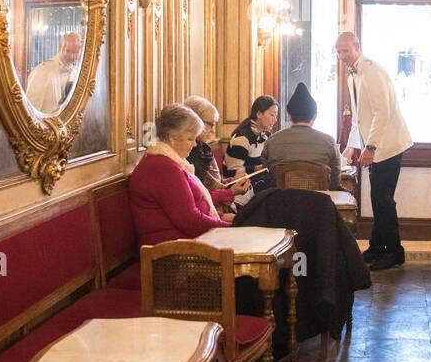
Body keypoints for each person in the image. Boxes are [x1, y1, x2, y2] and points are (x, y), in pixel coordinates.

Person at [335, 31, 413, 271]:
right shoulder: (352, 76)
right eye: (338, 52)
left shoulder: (373, 71)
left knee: (383, 200)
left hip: (388, 145)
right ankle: (378, 247)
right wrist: (351, 145)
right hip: (377, 145)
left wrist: (370, 147)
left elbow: (383, 112)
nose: (341, 56)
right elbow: (359, 118)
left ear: (357, 47)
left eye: (345, 50)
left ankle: (394, 252)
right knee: (378, 199)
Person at [129, 104, 236, 247]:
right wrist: (230, 228)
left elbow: (195, 207)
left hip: (186, 242)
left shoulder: (171, 161)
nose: (194, 145)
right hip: (170, 252)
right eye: (190, 139)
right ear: (172, 137)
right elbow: (190, 221)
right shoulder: (162, 167)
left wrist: (224, 218)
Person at [262, 82, 342, 188]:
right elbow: (335, 182)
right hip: (319, 203)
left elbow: (266, 177)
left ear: (289, 116)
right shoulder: (329, 142)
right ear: (315, 116)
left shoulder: (271, 141)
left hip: (281, 203)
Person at [224, 96, 279, 205]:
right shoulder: (242, 138)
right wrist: (260, 168)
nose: (275, 119)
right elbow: (231, 173)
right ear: (259, 114)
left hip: (256, 184)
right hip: (240, 191)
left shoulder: (266, 135)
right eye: (272, 115)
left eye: (276, 116)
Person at [24, 31, 82, 115]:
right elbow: (31, 107)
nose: (73, 55)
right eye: (69, 51)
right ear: (61, 47)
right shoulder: (42, 70)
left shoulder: (78, 75)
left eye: (76, 52)